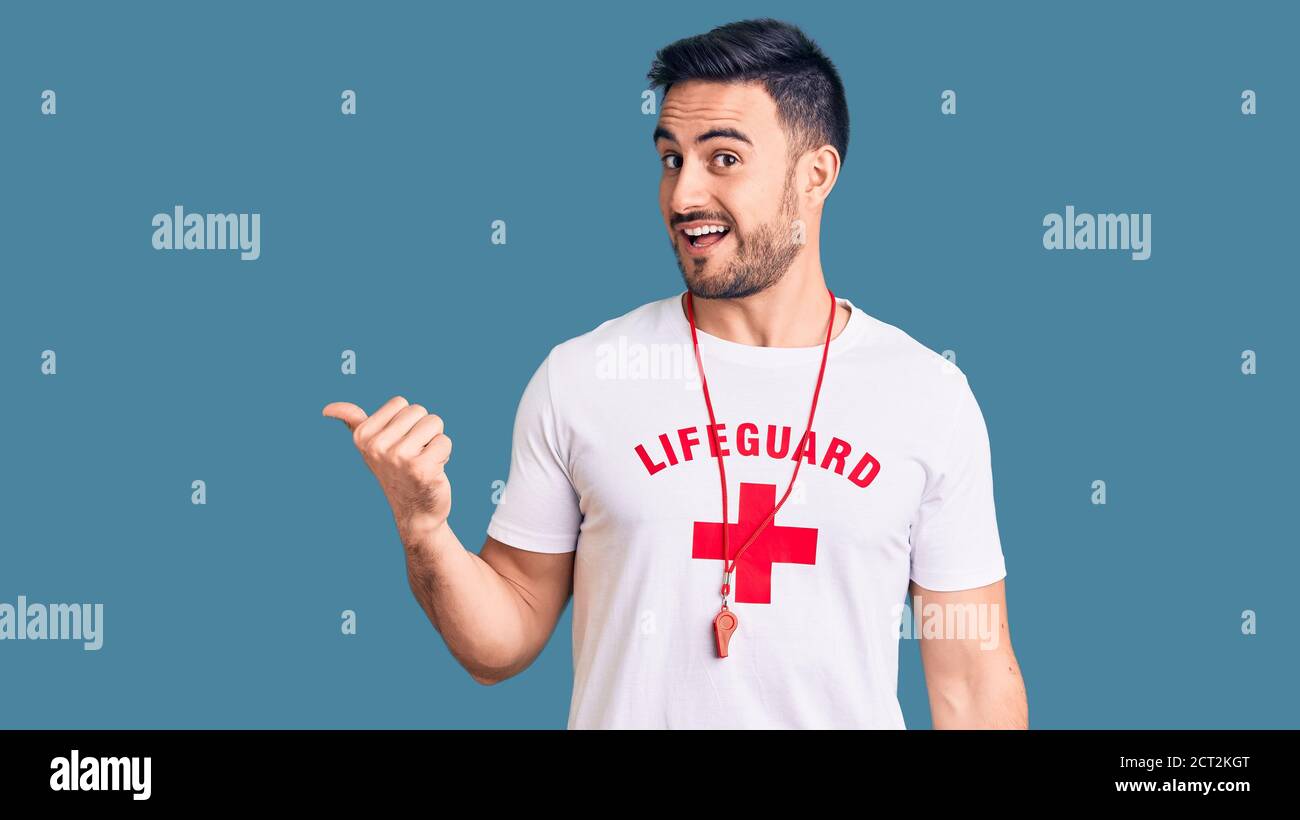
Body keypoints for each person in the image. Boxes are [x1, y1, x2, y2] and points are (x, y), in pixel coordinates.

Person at [323, 18, 1027, 729]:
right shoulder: (583, 377)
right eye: (670, 159)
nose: (683, 194)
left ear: (815, 175)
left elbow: (971, 682)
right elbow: (499, 644)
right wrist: (425, 531)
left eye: (723, 159)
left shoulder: (927, 396)